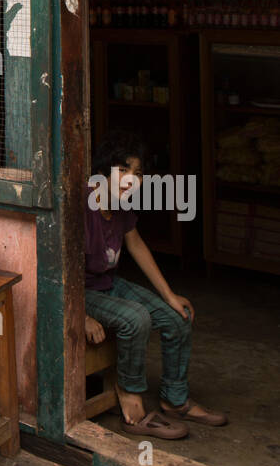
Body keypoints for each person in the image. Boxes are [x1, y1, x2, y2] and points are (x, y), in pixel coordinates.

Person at [85, 131, 228, 440]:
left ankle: (174, 401)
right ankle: (132, 404)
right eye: (122, 170)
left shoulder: (119, 204)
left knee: (177, 317)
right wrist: (78, 315)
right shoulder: (85, 206)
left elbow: (136, 246)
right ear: (101, 172)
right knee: (136, 318)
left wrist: (169, 295)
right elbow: (57, 267)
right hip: (80, 292)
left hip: (108, 284)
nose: (129, 180)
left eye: (136, 174)